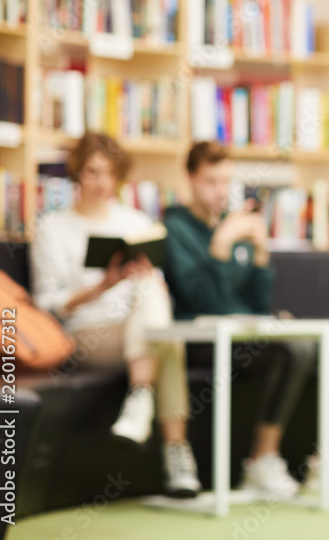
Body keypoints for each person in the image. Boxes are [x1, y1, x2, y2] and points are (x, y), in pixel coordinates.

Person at [163, 141, 329, 497]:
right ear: (190, 178)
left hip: (253, 329)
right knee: (295, 348)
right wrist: (220, 247)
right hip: (204, 339)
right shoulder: (175, 227)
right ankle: (261, 462)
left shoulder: (236, 225)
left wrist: (262, 256)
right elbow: (206, 303)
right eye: (210, 181)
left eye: (226, 182)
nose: (220, 191)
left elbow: (259, 301)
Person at [30, 133, 201, 498]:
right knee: (164, 342)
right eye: (91, 172)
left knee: (153, 293)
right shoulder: (52, 228)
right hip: (87, 332)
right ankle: (177, 455)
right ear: (76, 173)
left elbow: (155, 286)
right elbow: (45, 305)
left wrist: (152, 281)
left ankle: (140, 399)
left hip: (138, 326)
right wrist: (101, 287)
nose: (101, 183)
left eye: (109, 174)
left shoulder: (136, 221)